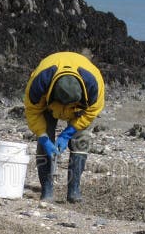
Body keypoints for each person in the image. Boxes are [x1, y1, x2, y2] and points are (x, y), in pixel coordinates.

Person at [23, 51, 105, 202]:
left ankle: (74, 191)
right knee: (44, 142)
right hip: (48, 105)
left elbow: (91, 112)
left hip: (79, 109)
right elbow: (33, 112)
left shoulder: (94, 86)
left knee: (81, 141)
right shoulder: (40, 83)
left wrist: (69, 132)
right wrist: (42, 136)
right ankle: (47, 191)